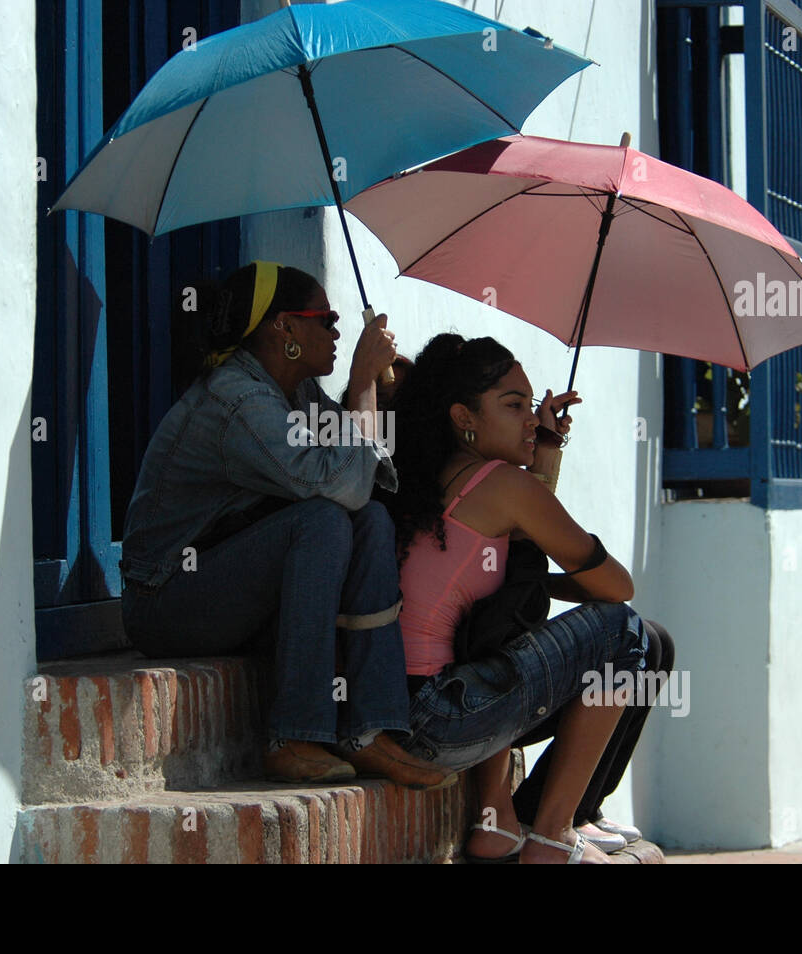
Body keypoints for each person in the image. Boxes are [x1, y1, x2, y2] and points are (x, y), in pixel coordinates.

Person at [118, 261, 450, 789]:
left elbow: (364, 478)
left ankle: (369, 731)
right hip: (164, 600)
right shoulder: (239, 399)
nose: (337, 331)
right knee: (321, 522)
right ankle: (292, 736)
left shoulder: (293, 394)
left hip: (223, 583)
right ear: (284, 328)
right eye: (327, 318)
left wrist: (373, 398)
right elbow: (337, 482)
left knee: (369, 522)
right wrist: (362, 381)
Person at [384, 333, 671, 863]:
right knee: (623, 631)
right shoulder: (501, 485)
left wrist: (545, 450)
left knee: (541, 624)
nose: (532, 419)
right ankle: (555, 834)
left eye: (529, 406)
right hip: (443, 717)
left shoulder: (441, 478)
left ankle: (509, 822)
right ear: (463, 416)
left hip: (412, 713)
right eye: (513, 406)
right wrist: (539, 469)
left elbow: (522, 568)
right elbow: (617, 588)